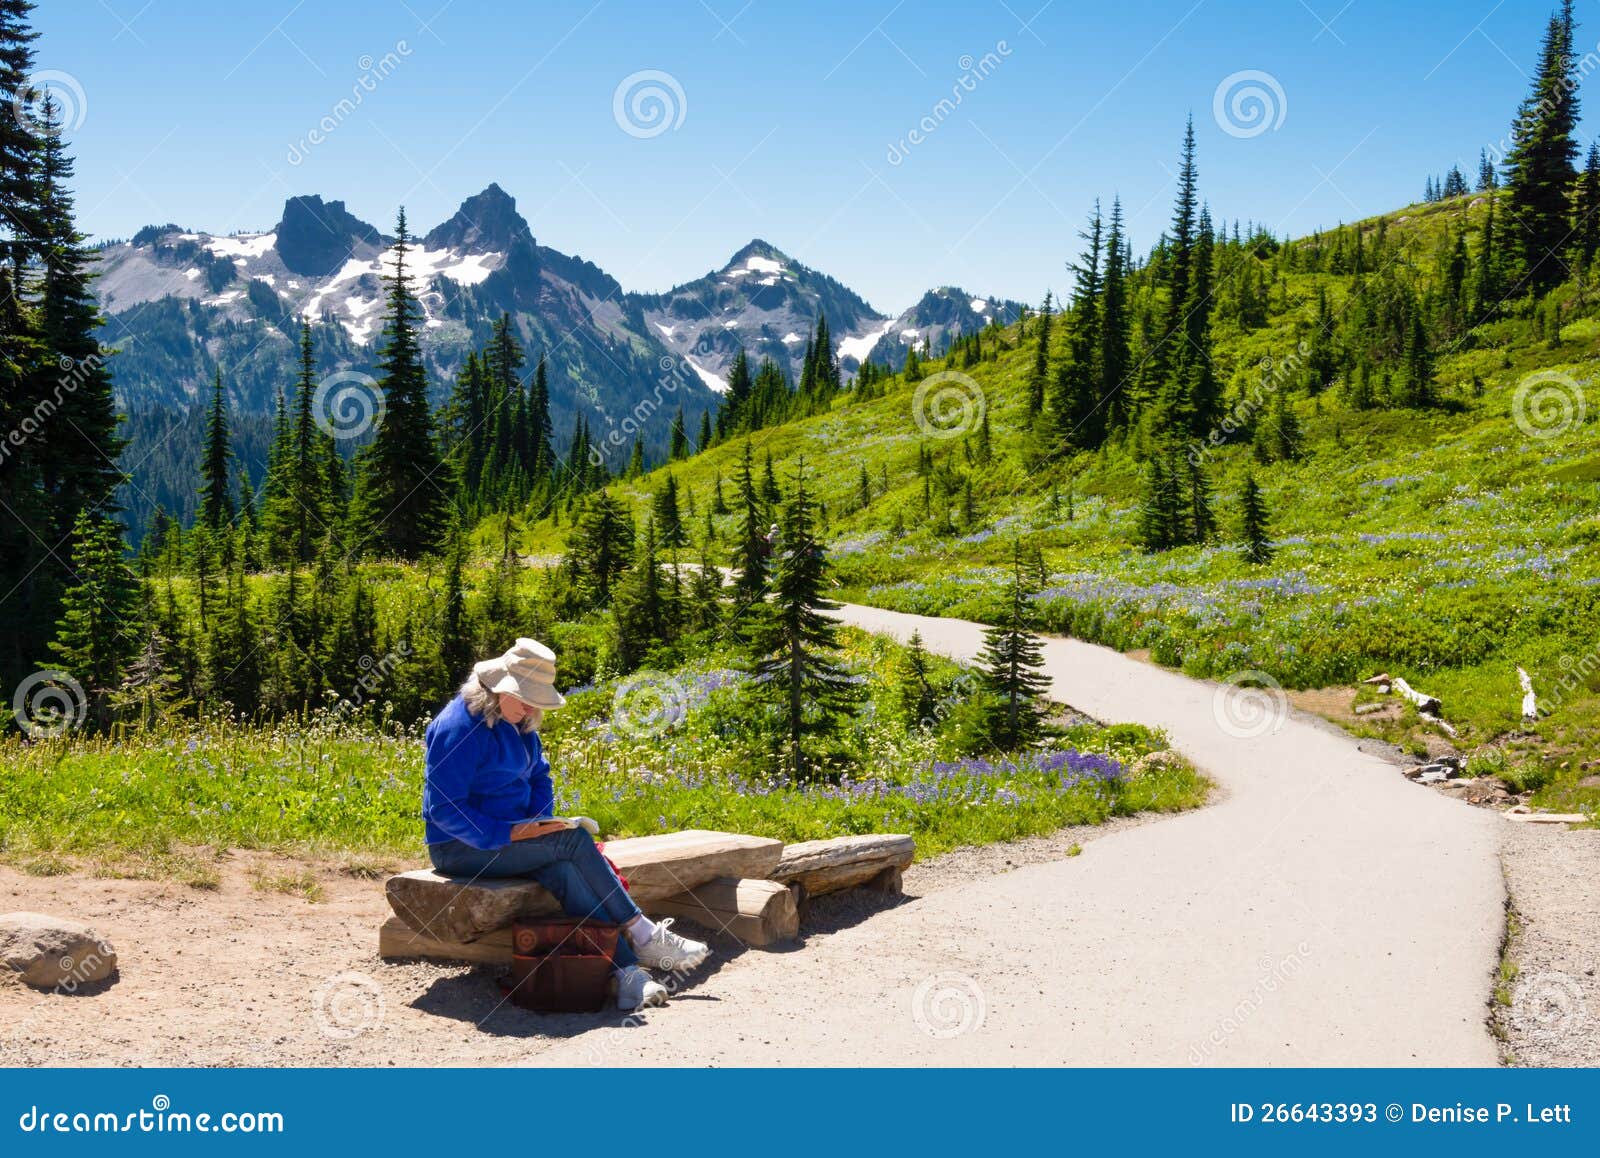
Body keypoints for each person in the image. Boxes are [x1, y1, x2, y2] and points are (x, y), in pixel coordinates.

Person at [422, 638, 709, 1012]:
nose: (530, 707)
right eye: (524, 696)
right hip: (461, 848)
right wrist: (508, 833)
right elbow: (443, 809)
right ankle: (642, 933)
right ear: (495, 687)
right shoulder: (457, 728)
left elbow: (540, 776)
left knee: (564, 868)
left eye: (535, 699)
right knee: (572, 841)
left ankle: (627, 976)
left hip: (514, 839)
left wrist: (540, 822)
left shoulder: (518, 720)